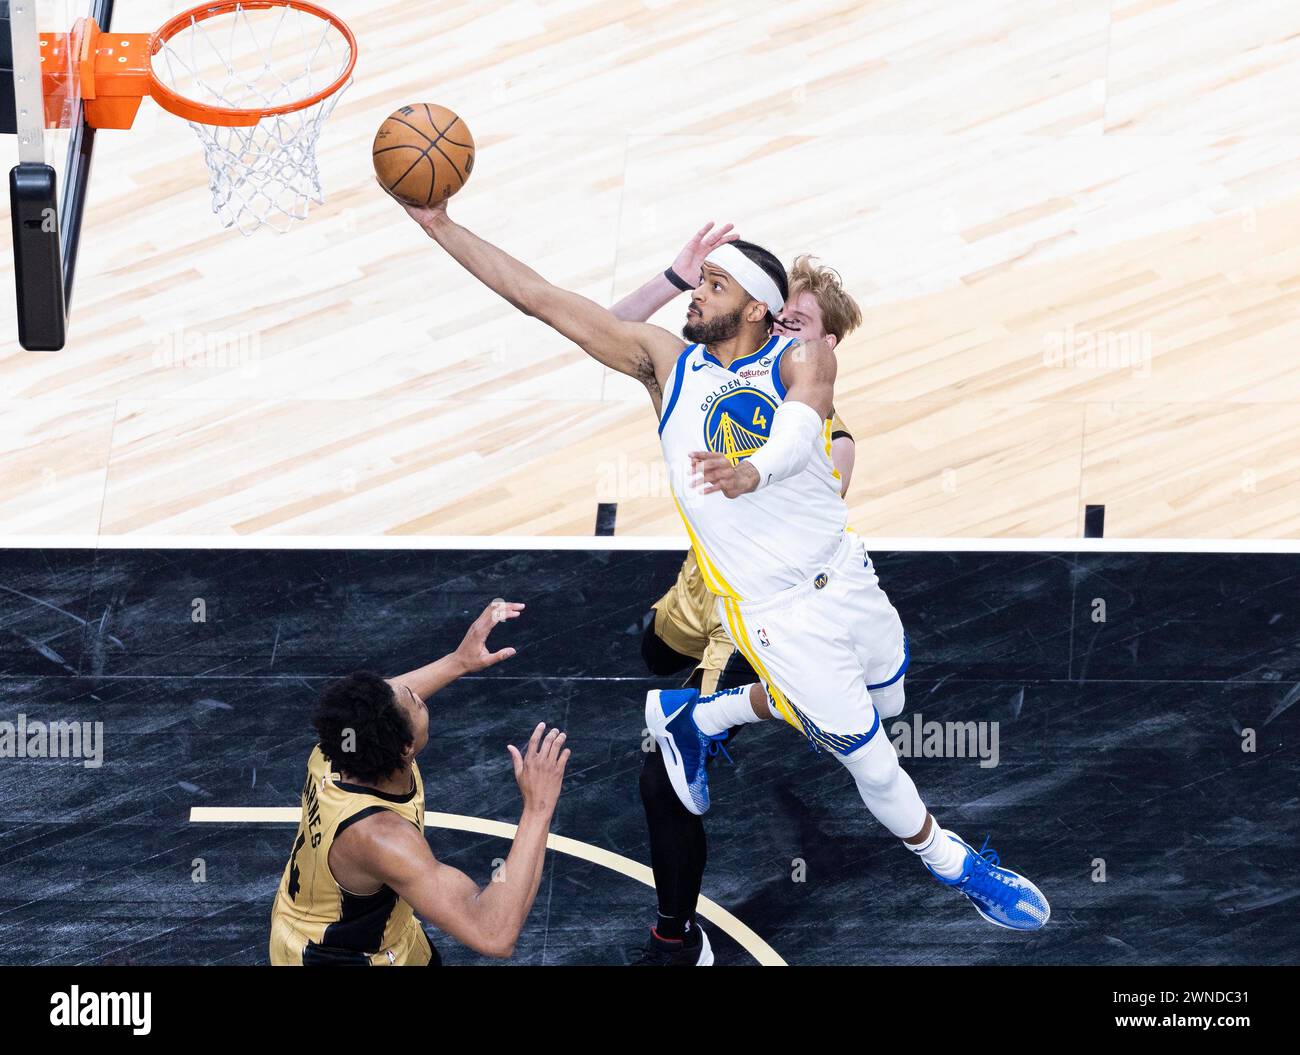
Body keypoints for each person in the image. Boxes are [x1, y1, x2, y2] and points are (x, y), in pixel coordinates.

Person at [385, 191, 1049, 970]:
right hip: (776, 618)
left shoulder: (802, 355)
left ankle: (702, 718)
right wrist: (443, 226)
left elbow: (804, 425)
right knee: (873, 761)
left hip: (850, 580)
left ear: (761, 309)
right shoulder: (665, 365)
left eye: (715, 285)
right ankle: (953, 861)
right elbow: (542, 301)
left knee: (892, 700)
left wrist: (751, 471)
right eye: (699, 283)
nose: (697, 292)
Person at [611, 229, 872, 962]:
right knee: (654, 646)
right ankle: (718, 696)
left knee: (659, 777)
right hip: (694, 587)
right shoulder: (712, 365)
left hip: (751, 603)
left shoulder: (814, 415)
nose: (784, 330)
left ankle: (676, 934)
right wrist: (674, 276)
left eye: (799, 326)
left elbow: (822, 474)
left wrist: (763, 479)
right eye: (781, 315)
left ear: (819, 348)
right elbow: (616, 324)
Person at [268, 600, 569, 965]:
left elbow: (381, 701)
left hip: (374, 929)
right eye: (414, 700)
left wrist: (459, 660)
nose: (411, 689)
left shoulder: (337, 750)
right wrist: (538, 808)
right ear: (407, 747)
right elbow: (494, 934)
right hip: (336, 956)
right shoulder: (382, 840)